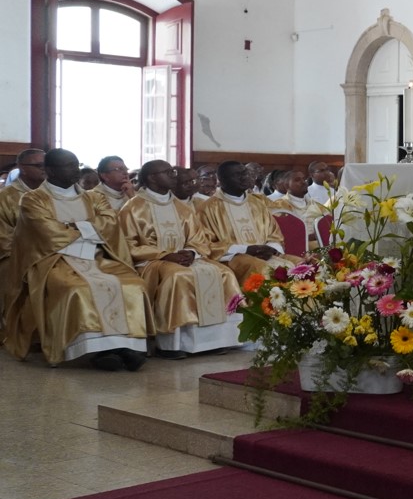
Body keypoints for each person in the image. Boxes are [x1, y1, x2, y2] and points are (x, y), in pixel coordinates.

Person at [2, 148, 149, 370]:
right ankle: (96, 350)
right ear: (50, 170)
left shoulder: (93, 197)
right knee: (76, 288)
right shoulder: (32, 199)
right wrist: (89, 229)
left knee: (133, 284)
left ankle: (124, 345)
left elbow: (110, 223)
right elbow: (49, 233)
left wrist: (74, 227)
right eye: (69, 166)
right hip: (53, 261)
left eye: (76, 164)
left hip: (97, 257)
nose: (75, 170)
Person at [119, 160, 242, 358]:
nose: (173, 176)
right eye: (167, 172)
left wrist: (191, 251)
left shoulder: (182, 207)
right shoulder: (132, 208)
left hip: (186, 257)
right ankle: (172, 344)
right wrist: (165, 255)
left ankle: (215, 340)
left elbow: (198, 238)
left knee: (223, 272)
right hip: (151, 262)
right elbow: (127, 245)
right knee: (178, 276)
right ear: (151, 178)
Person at [197, 159, 296, 283]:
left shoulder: (257, 204)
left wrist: (271, 248)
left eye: (245, 173)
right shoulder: (208, 208)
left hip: (266, 254)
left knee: (300, 266)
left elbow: (274, 233)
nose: (245, 177)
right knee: (261, 268)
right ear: (222, 181)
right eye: (238, 175)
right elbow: (206, 243)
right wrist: (245, 249)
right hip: (232, 258)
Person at [0, 148, 46, 316]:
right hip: (17, 257)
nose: (44, 169)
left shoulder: (53, 193)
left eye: (47, 165)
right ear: (22, 167)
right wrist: (36, 255)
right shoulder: (5, 198)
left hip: (54, 253)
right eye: (39, 165)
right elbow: (4, 240)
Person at [270, 168, 328, 249]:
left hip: (321, 244)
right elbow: (281, 233)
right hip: (297, 248)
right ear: (286, 185)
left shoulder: (317, 205)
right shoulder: (279, 206)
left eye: (304, 179)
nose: (303, 182)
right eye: (297, 180)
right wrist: (307, 237)